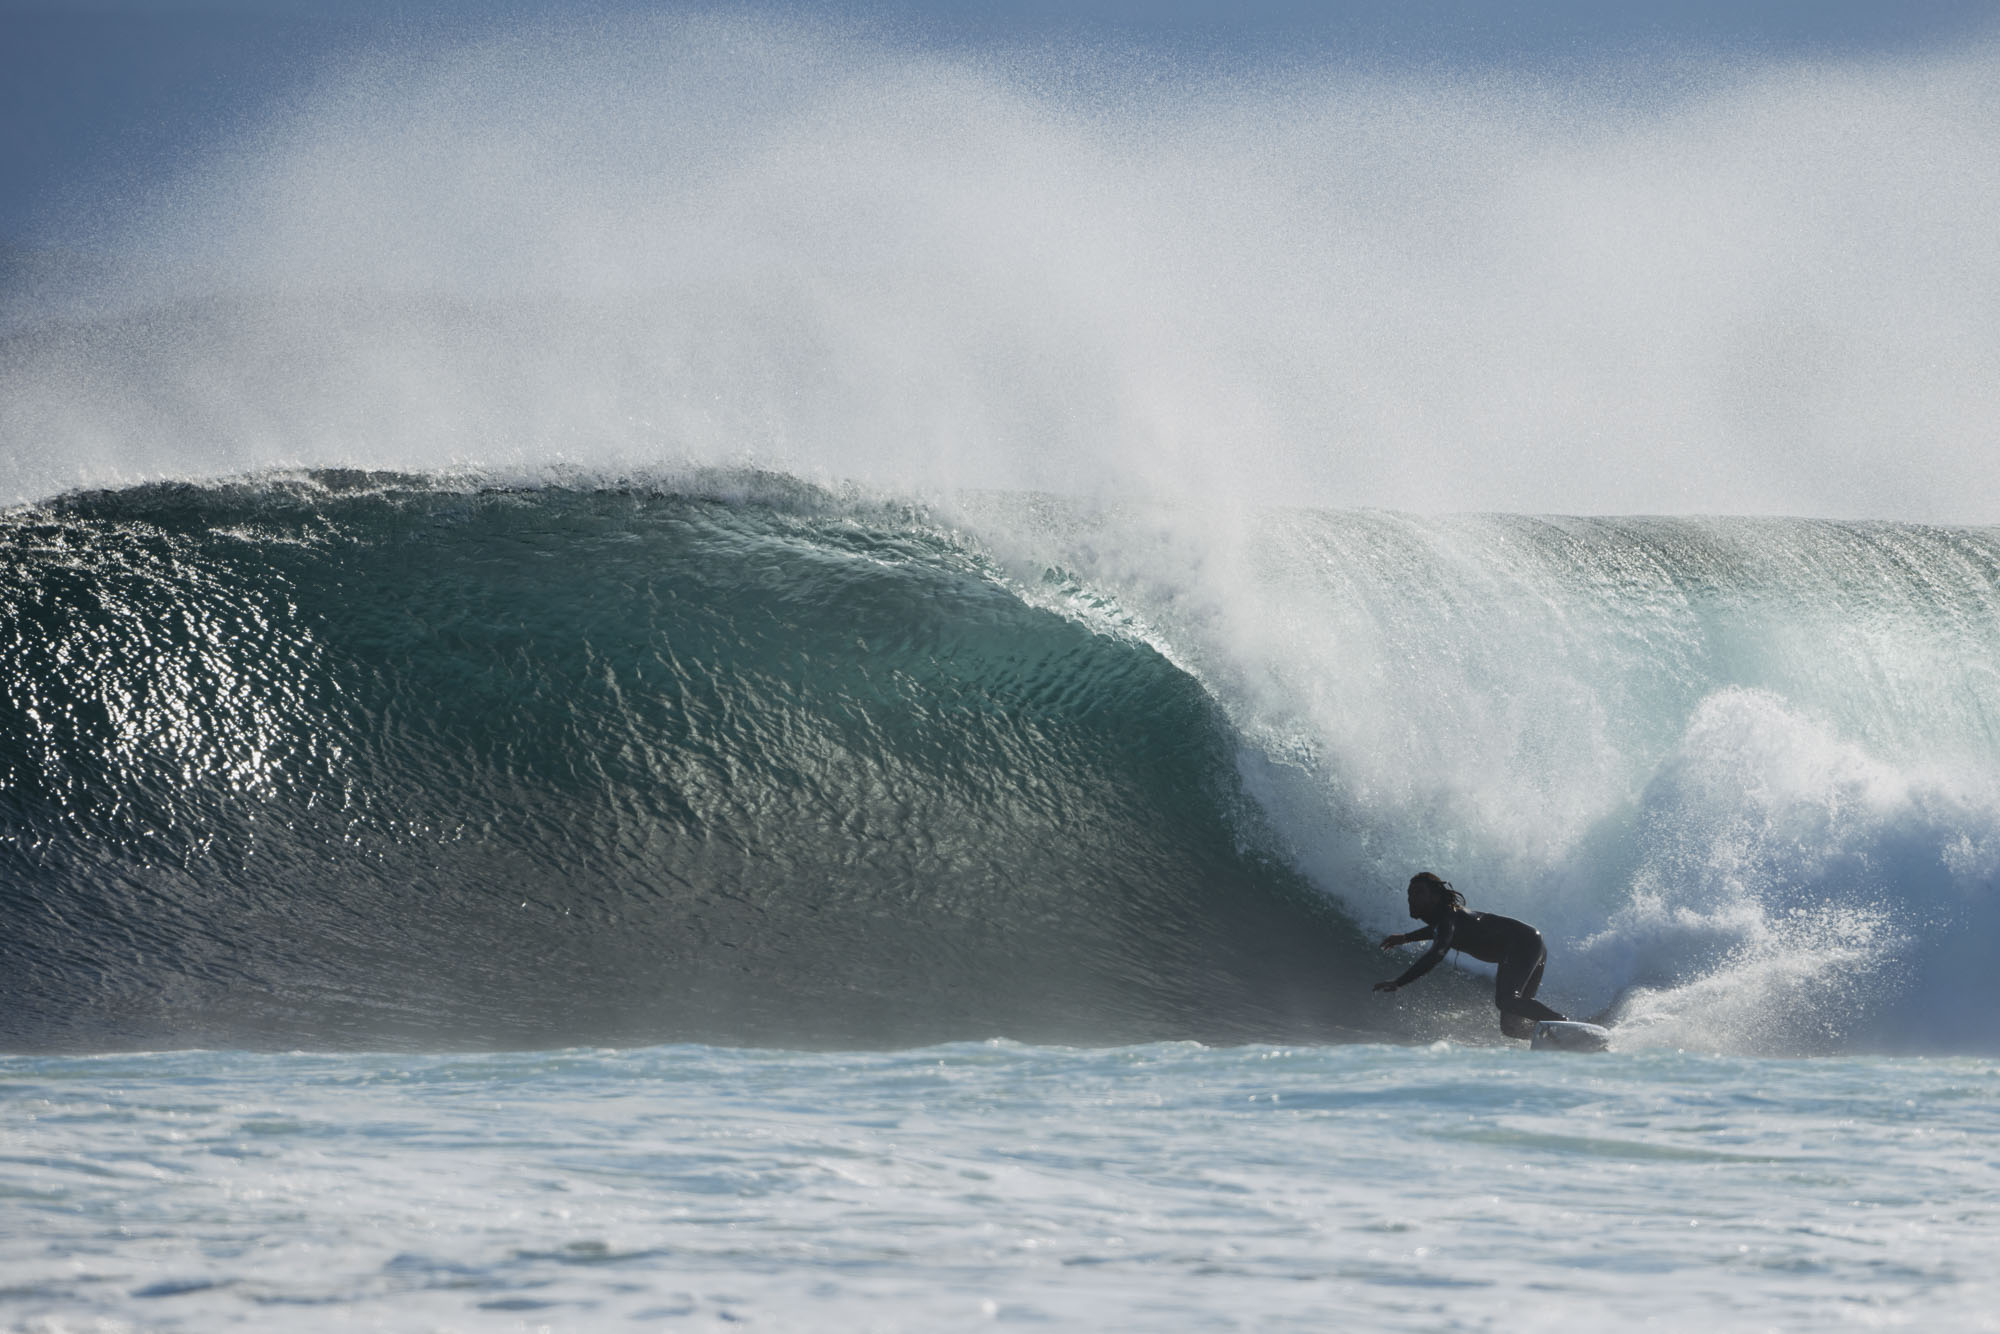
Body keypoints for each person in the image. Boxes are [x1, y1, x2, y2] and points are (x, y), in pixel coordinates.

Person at [1374, 871, 1568, 1039]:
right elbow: (1438, 931)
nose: (1411, 898)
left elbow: (1437, 953)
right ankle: (1553, 1035)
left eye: (1418, 893)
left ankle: (1563, 1025)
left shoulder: (1448, 918)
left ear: (1436, 897)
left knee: (1506, 1000)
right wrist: (1406, 937)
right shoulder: (1446, 921)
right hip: (1527, 942)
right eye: (1409, 893)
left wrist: (1399, 982)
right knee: (1511, 1028)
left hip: (1524, 942)